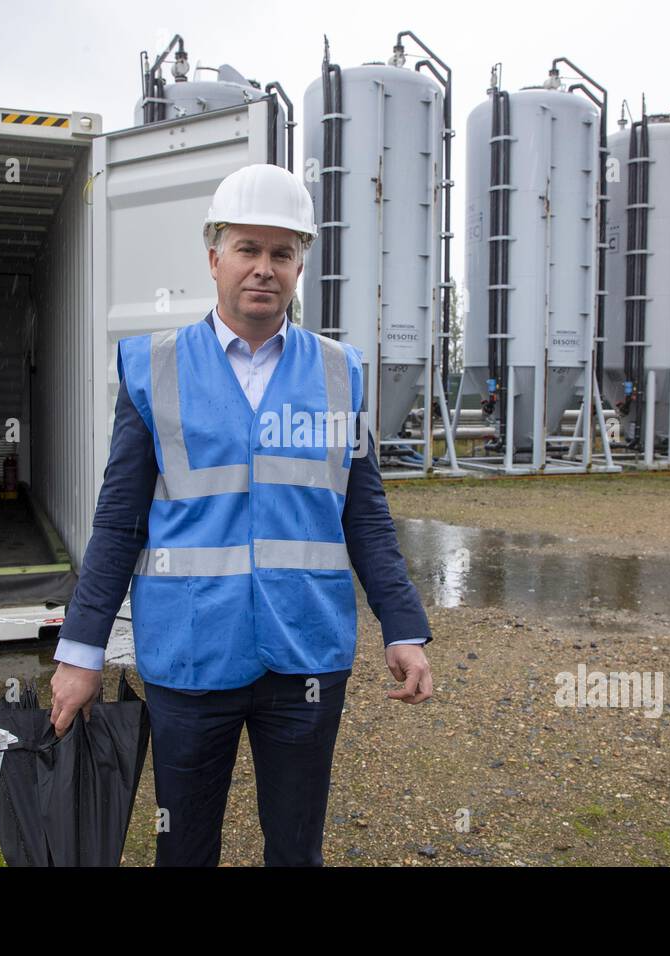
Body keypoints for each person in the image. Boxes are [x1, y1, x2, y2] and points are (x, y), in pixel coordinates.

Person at [48, 163, 432, 866]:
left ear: (300, 265)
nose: (264, 268)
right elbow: (118, 524)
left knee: (295, 848)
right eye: (247, 249)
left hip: (306, 657)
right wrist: (81, 652)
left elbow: (366, 517)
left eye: (281, 253)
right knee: (184, 847)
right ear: (213, 257)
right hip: (191, 658)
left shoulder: (340, 372)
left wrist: (402, 627)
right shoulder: (153, 368)